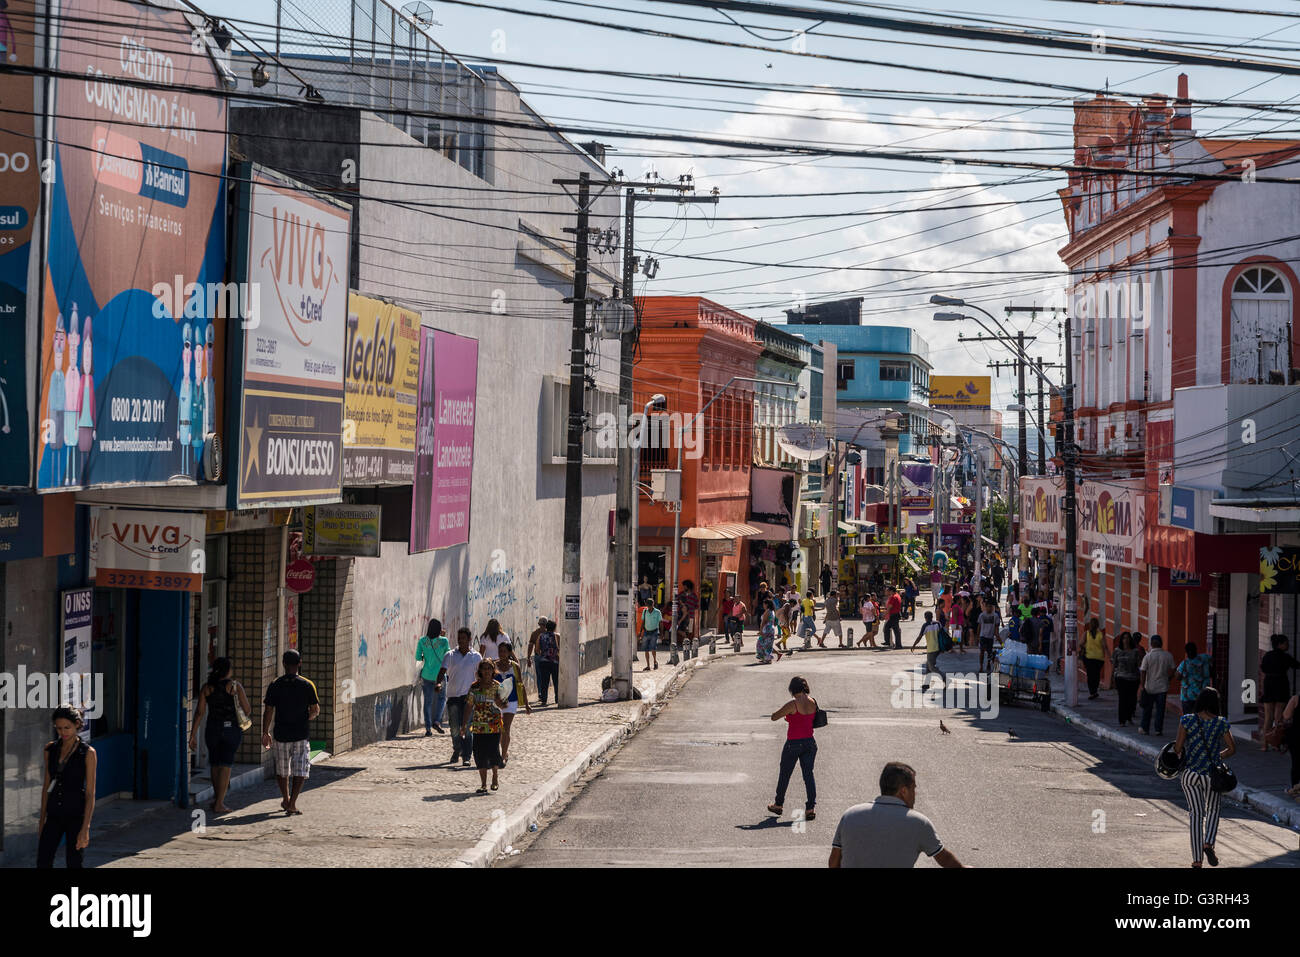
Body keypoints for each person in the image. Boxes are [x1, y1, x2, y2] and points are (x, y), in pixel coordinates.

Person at [828, 762, 963, 868]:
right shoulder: (919, 823)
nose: (915, 794)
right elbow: (944, 859)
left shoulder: (850, 815)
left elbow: (833, 862)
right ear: (903, 791)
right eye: (914, 788)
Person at [1173, 687, 1235, 868]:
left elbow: (1178, 748)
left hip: (1190, 774)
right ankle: (1208, 842)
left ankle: (1197, 861)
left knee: (1196, 815)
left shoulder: (1187, 720)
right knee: (1214, 810)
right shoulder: (1220, 723)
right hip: (1211, 775)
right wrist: (1217, 756)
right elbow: (1232, 749)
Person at [188, 657, 252, 814]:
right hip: (231, 730)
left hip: (212, 729)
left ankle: (217, 799)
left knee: (215, 764)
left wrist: (192, 735)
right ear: (228, 670)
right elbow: (247, 709)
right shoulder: (235, 686)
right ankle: (220, 803)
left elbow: (199, 713)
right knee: (226, 765)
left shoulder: (207, 688)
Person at [37, 706, 97, 868]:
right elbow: (46, 787)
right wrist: (42, 820)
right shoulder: (50, 749)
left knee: (74, 862)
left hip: (75, 815)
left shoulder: (88, 753)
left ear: (77, 724)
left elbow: (91, 793)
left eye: (67, 727)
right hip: (54, 813)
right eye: (58, 728)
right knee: (43, 860)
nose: (63, 732)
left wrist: (85, 828)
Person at [262, 649, 320, 815]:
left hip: (281, 734)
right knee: (300, 770)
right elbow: (315, 709)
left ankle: (286, 798)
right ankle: (292, 803)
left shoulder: (275, 684)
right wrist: (306, 718)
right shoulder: (307, 684)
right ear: (299, 663)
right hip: (301, 735)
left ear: (283, 664)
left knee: (281, 770)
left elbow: (268, 710)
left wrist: (265, 732)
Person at [767, 676, 818, 821]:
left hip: (793, 743)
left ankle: (778, 804)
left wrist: (785, 715)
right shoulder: (813, 701)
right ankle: (810, 808)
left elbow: (774, 717)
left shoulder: (793, 704)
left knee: (785, 773)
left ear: (792, 689)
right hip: (810, 742)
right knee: (808, 775)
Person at [464, 659, 510, 793]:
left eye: (489, 669)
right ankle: (483, 784)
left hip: (494, 726)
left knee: (493, 752)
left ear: (493, 670)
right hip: (478, 727)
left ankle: (495, 777)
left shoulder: (498, 687)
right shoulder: (474, 687)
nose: (486, 671)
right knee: (479, 754)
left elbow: (505, 705)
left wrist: (499, 702)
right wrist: (464, 724)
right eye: (484, 669)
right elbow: (468, 706)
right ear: (480, 671)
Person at [440, 628, 483, 766]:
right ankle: (456, 749)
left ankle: (467, 756)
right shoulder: (450, 655)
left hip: (469, 697)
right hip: (453, 696)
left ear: (469, 639)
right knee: (454, 727)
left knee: (468, 727)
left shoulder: (476, 656)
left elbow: (480, 676)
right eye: (459, 638)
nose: (461, 640)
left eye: (463, 638)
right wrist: (437, 683)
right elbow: (442, 671)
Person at [1260, 634, 1300, 750]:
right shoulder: (1285, 657)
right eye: (1286, 643)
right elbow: (1296, 665)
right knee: (1278, 717)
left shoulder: (1267, 656)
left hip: (1268, 684)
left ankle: (1264, 745)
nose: (1288, 645)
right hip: (1281, 684)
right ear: (1280, 644)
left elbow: (1263, 669)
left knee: (1268, 717)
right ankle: (1276, 744)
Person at [493, 641, 530, 764]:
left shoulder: (515, 667)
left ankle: (502, 756)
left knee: (505, 727)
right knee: (498, 729)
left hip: (511, 701)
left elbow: (520, 684)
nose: (501, 653)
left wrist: (526, 703)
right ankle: (504, 750)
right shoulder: (493, 666)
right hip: (496, 702)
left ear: (509, 652)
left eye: (504, 651)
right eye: (500, 651)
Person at [416, 618, 450, 736]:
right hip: (440, 675)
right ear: (440, 629)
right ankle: (437, 721)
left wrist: (426, 656)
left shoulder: (422, 641)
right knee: (442, 698)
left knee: (428, 702)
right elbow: (448, 655)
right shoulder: (444, 641)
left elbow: (418, 658)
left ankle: (428, 729)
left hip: (426, 675)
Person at [1138, 634, 1176, 736]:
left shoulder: (1148, 656)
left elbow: (1143, 672)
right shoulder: (1168, 655)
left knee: (1147, 709)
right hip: (1162, 687)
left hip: (1149, 687)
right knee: (1160, 710)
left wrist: (1142, 685)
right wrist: (1168, 678)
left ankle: (1145, 728)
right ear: (1161, 644)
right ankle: (1158, 729)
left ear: (1151, 644)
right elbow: (1173, 669)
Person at [1112, 632, 1142, 728]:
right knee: (1122, 699)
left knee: (1132, 699)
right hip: (1121, 677)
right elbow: (1114, 665)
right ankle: (1122, 720)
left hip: (1133, 678)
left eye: (1128, 638)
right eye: (1124, 638)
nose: (1126, 640)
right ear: (1121, 640)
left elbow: (1139, 665)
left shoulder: (1135, 651)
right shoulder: (1117, 651)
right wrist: (1112, 678)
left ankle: (1129, 716)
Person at [528, 618, 561, 706]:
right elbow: (560, 648)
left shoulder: (541, 636)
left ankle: (544, 699)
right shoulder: (557, 636)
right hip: (555, 662)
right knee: (556, 681)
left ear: (546, 627)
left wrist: (543, 654)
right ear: (554, 628)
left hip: (544, 661)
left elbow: (537, 649)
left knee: (544, 681)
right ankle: (557, 698)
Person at [910, 611, 945, 691]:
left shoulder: (926, 625)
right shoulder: (938, 623)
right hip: (938, 648)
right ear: (932, 616)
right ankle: (926, 684)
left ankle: (945, 678)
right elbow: (942, 633)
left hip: (931, 648)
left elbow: (920, 637)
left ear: (925, 618)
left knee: (932, 667)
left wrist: (914, 645)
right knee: (928, 666)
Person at [1176, 642, 1213, 715]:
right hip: (1202, 695)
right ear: (1196, 650)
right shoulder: (1205, 658)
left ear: (1186, 652)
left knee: (1189, 719)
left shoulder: (1184, 664)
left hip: (1187, 697)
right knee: (1201, 718)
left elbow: (1178, 677)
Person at [1082, 618, 1107, 699]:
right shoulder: (1100, 634)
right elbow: (1105, 646)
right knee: (1096, 675)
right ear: (1097, 625)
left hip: (1089, 657)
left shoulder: (1086, 633)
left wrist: (1085, 647)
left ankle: (1092, 692)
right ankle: (1095, 691)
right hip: (1099, 658)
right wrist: (1110, 657)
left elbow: (1081, 643)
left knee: (1090, 675)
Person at [1282, 693, 1300, 797]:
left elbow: (1286, 715)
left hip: (1297, 735)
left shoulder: (1296, 699)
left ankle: (1295, 789)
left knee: (1296, 762)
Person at [977, 599, 1000, 673]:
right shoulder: (982, 615)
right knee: (982, 652)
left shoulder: (995, 616)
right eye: (988, 606)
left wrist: (1000, 640)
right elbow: (979, 627)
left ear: (993, 607)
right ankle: (981, 666)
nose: (989, 608)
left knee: (989, 652)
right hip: (982, 636)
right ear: (985, 607)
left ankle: (988, 664)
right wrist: (977, 637)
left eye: (991, 607)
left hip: (990, 637)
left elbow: (996, 630)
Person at [641, 602, 662, 670]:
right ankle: (648, 665)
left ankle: (655, 662)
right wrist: (640, 632)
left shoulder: (657, 612)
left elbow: (660, 623)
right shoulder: (645, 611)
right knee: (646, 649)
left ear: (653, 605)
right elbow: (643, 622)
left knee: (653, 648)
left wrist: (661, 633)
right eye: (648, 606)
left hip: (654, 632)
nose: (649, 607)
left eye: (650, 606)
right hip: (646, 632)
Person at [756, 600, 778, 664]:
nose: (763, 606)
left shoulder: (767, 611)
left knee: (761, 644)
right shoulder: (772, 611)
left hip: (766, 629)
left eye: (764, 604)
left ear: (767, 604)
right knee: (767, 644)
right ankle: (766, 658)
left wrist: (760, 631)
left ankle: (766, 658)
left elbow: (763, 622)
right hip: (771, 629)